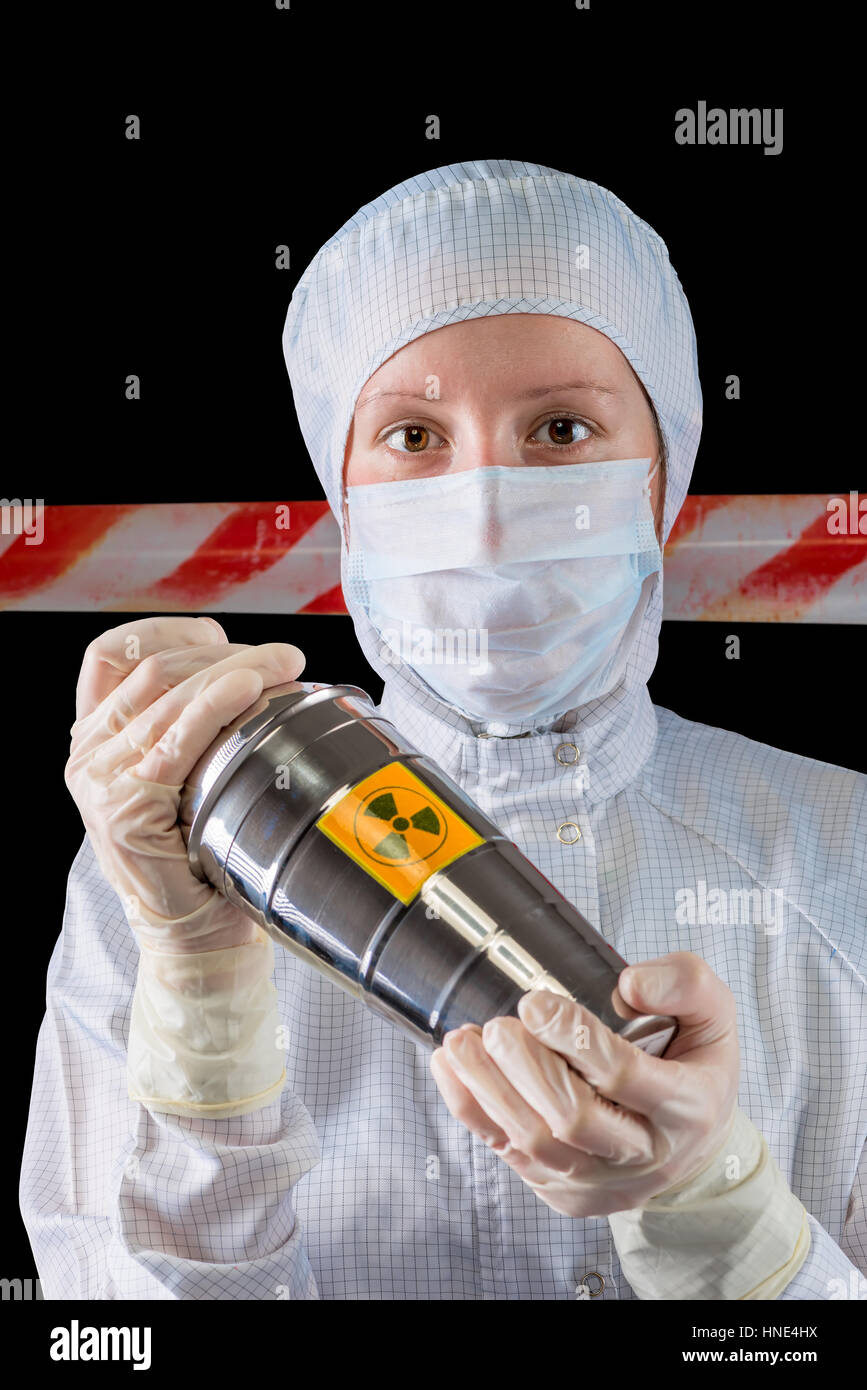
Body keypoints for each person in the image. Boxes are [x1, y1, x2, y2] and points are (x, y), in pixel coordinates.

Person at [20, 159, 866, 1300]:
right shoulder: (166, 873)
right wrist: (203, 992)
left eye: (562, 428)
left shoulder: (840, 851)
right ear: (345, 494)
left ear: (663, 474)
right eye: (414, 437)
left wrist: (725, 1218)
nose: (481, 507)